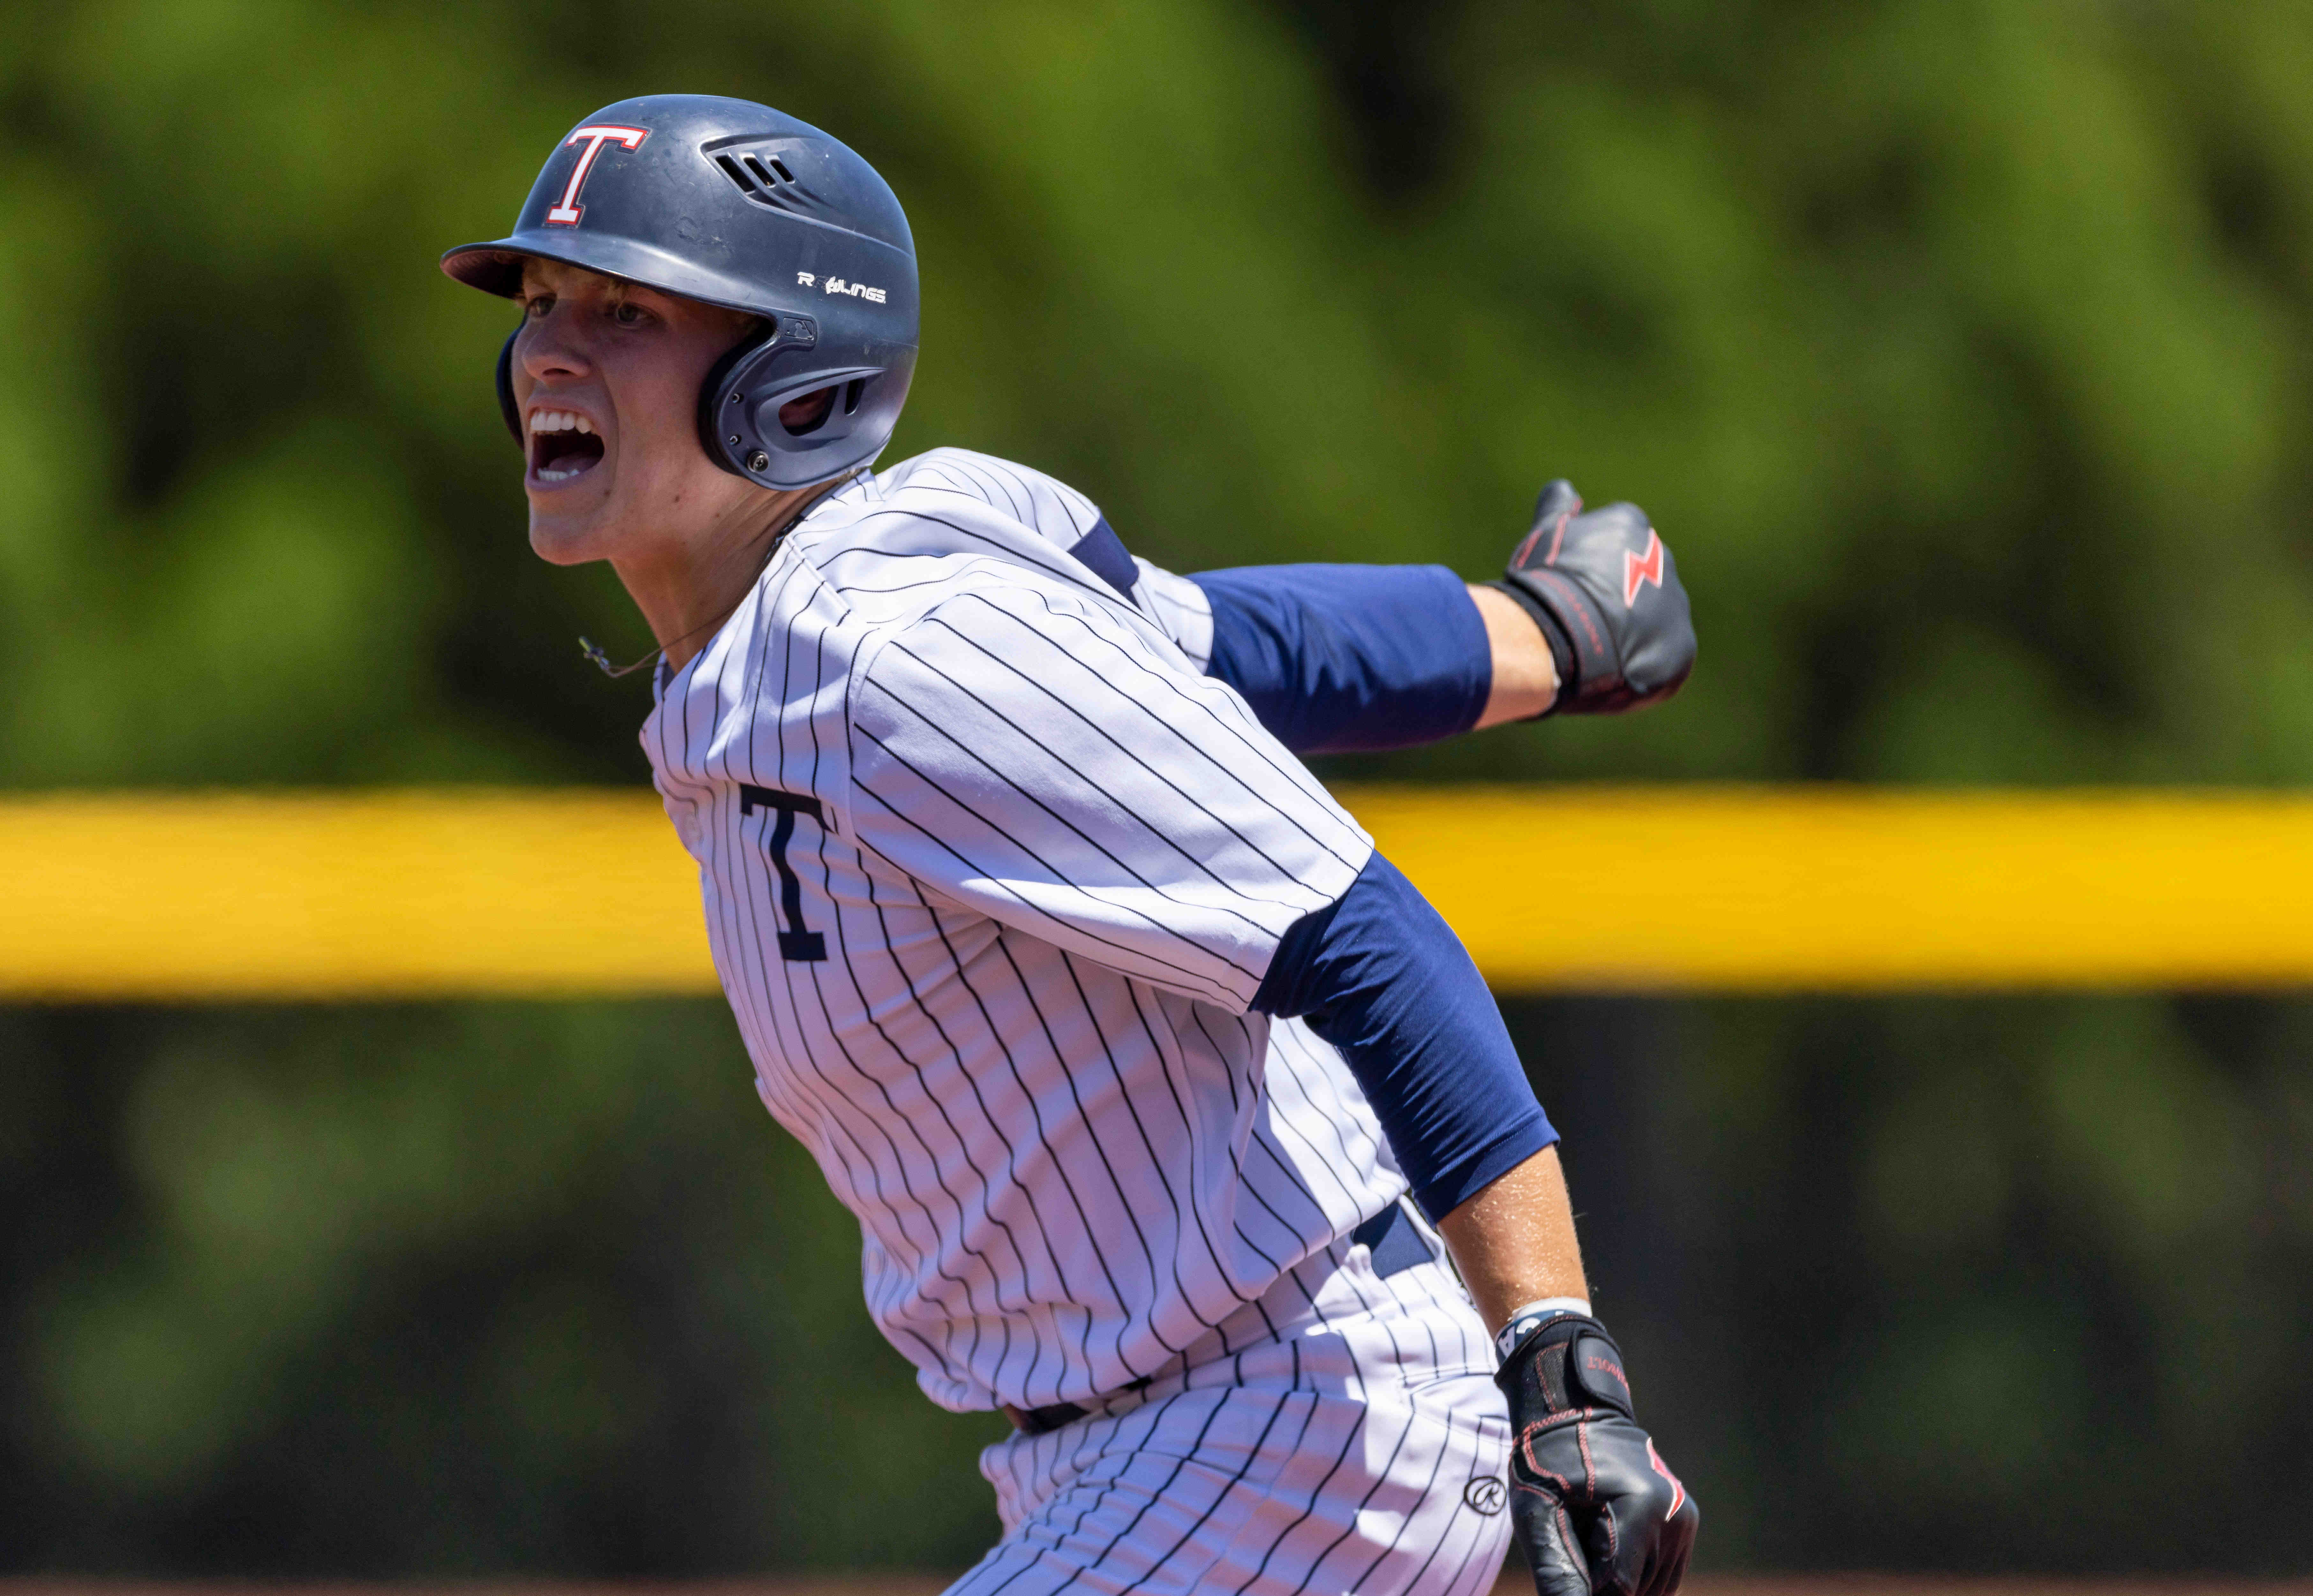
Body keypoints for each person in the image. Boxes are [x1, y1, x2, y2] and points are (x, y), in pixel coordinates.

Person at [443, 94, 1699, 1596]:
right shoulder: (794, 638)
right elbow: (1228, 642)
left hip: (1293, 1419)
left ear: (791, 377)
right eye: (542, 302)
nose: (550, 353)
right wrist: (1543, 634)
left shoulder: (893, 650)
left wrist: (1556, 1363)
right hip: (1136, 1454)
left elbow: (1368, 938)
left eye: (628, 309)